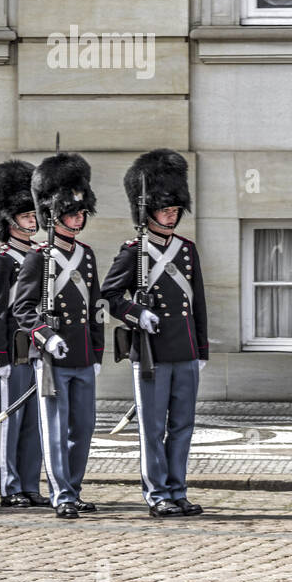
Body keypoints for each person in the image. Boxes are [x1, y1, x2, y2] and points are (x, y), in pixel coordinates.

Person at [102, 149, 208, 519]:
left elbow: (198, 304)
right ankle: (157, 492)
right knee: (152, 427)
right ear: (148, 211)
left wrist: (202, 350)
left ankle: (178, 489)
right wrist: (137, 313)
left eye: (175, 209)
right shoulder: (133, 252)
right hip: (152, 352)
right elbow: (111, 295)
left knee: (182, 425)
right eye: (165, 209)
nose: (171, 214)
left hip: (185, 350)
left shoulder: (187, 251)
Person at [12, 152, 104, 521]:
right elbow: (22, 308)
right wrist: (46, 335)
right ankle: (61, 493)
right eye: (71, 213)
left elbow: (95, 306)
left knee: (82, 429)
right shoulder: (39, 258)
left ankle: (75, 488)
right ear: (55, 215)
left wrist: (96, 352)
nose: (78, 218)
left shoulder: (86, 255)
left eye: (82, 213)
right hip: (53, 356)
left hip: (82, 354)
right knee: (54, 428)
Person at [0, 159, 48, 508]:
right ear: (9, 220)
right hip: (15, 351)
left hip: (41, 351)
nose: (32, 220)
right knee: (13, 421)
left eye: (33, 214)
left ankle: (30, 482)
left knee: (36, 422)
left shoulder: (41, 255)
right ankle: (10, 485)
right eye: (25, 216)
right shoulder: (1, 261)